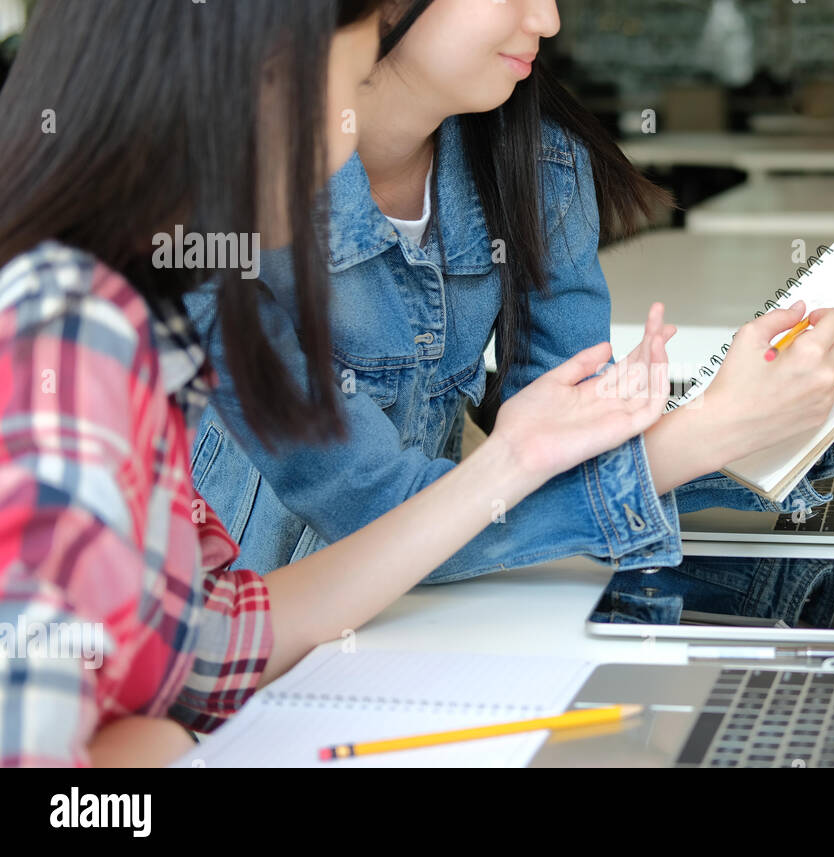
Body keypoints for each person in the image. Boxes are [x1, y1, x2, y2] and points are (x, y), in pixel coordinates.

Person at [0, 0, 668, 767]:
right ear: (251, 80)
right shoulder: (74, 332)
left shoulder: (132, 323)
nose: (353, 138)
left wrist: (512, 461)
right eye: (350, 88)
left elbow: (211, 644)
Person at [188, 0, 834, 578]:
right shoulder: (219, 207)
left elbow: (568, 467)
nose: (548, 19)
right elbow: (376, 512)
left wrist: (787, 429)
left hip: (421, 622)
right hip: (232, 672)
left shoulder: (539, 167)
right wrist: (709, 432)